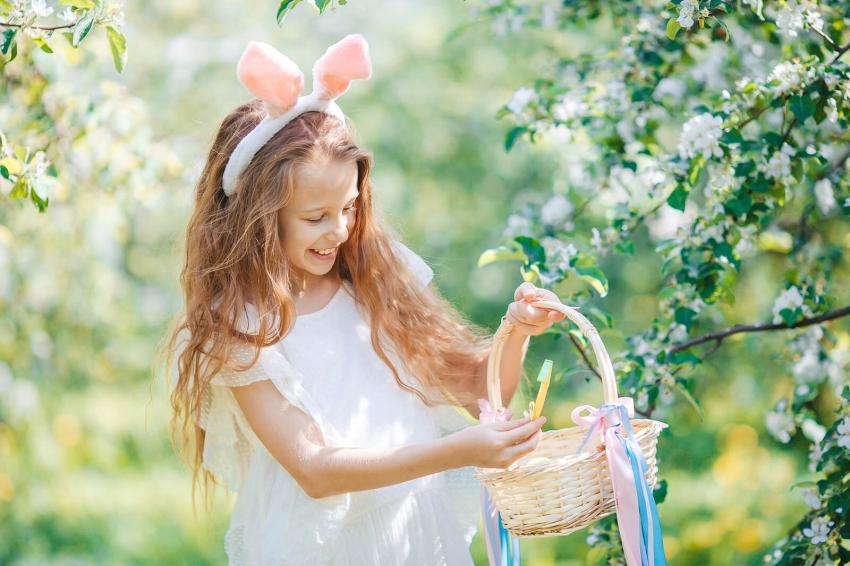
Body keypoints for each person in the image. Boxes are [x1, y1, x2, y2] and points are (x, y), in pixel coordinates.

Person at [162, 34, 566, 566]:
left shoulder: (374, 275)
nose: (338, 230)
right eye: (314, 218)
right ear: (257, 218)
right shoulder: (241, 325)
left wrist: (515, 330)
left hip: (410, 531)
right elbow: (316, 469)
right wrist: (459, 452)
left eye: (349, 207)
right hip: (319, 547)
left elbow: (476, 391)